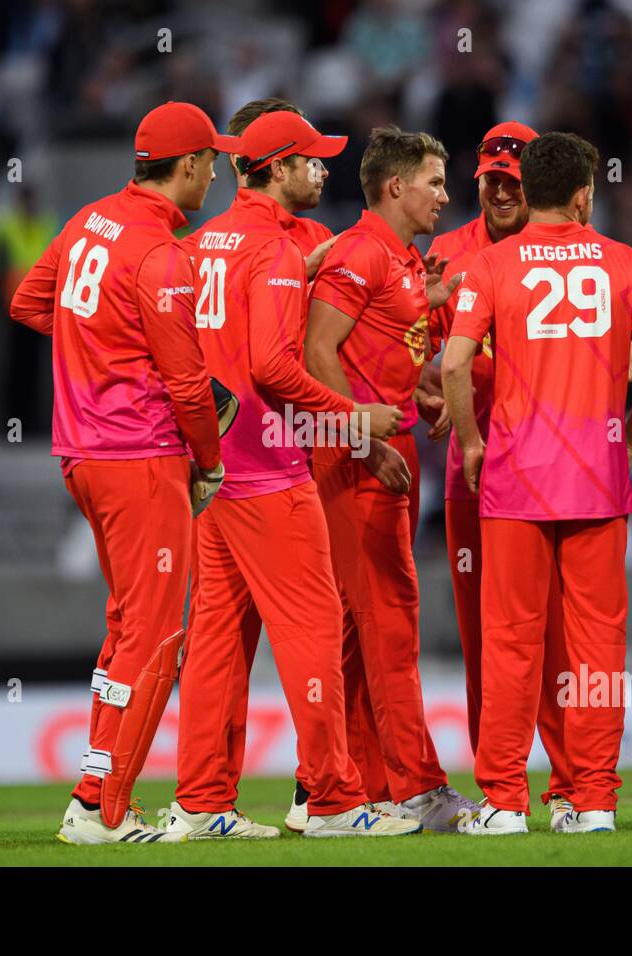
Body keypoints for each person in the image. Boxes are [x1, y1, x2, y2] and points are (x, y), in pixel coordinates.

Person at [168, 109, 420, 839]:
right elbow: (273, 366)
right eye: (310, 161)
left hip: (213, 469)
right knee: (313, 629)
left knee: (216, 638)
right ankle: (334, 801)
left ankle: (203, 801)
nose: (323, 171)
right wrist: (352, 416)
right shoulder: (272, 250)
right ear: (275, 168)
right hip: (271, 467)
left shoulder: (205, 242)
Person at [442, 131, 632, 835]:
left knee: (511, 644)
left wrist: (474, 442)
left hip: (515, 480)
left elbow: (454, 365)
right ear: (582, 196)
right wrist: (625, 440)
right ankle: (595, 800)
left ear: (527, 190)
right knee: (598, 650)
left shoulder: (488, 265)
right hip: (597, 484)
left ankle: (506, 803)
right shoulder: (624, 263)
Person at [11, 101, 229, 845]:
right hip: (139, 456)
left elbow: (28, 302)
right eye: (212, 161)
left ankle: (91, 787)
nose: (216, 173)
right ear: (192, 164)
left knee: (126, 626)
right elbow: (192, 386)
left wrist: (96, 343)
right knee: (159, 636)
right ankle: (105, 812)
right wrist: (210, 462)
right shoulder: (162, 254)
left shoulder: (87, 220)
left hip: (81, 456)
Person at [305, 125, 477, 831]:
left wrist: (424, 392)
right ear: (395, 186)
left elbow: (384, 350)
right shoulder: (358, 253)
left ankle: (358, 787)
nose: (446, 194)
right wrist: (361, 440)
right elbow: (317, 352)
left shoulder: (403, 261)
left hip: (385, 448)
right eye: (435, 182)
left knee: (357, 630)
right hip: (357, 460)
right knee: (391, 621)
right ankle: (418, 789)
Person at [426, 121, 537, 756]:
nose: (500, 192)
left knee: (550, 635)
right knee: (481, 633)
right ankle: (499, 779)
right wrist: (431, 385)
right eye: (491, 180)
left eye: (512, 181)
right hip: (474, 472)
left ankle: (575, 785)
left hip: (547, 469)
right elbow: (422, 353)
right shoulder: (446, 253)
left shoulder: (565, 249)